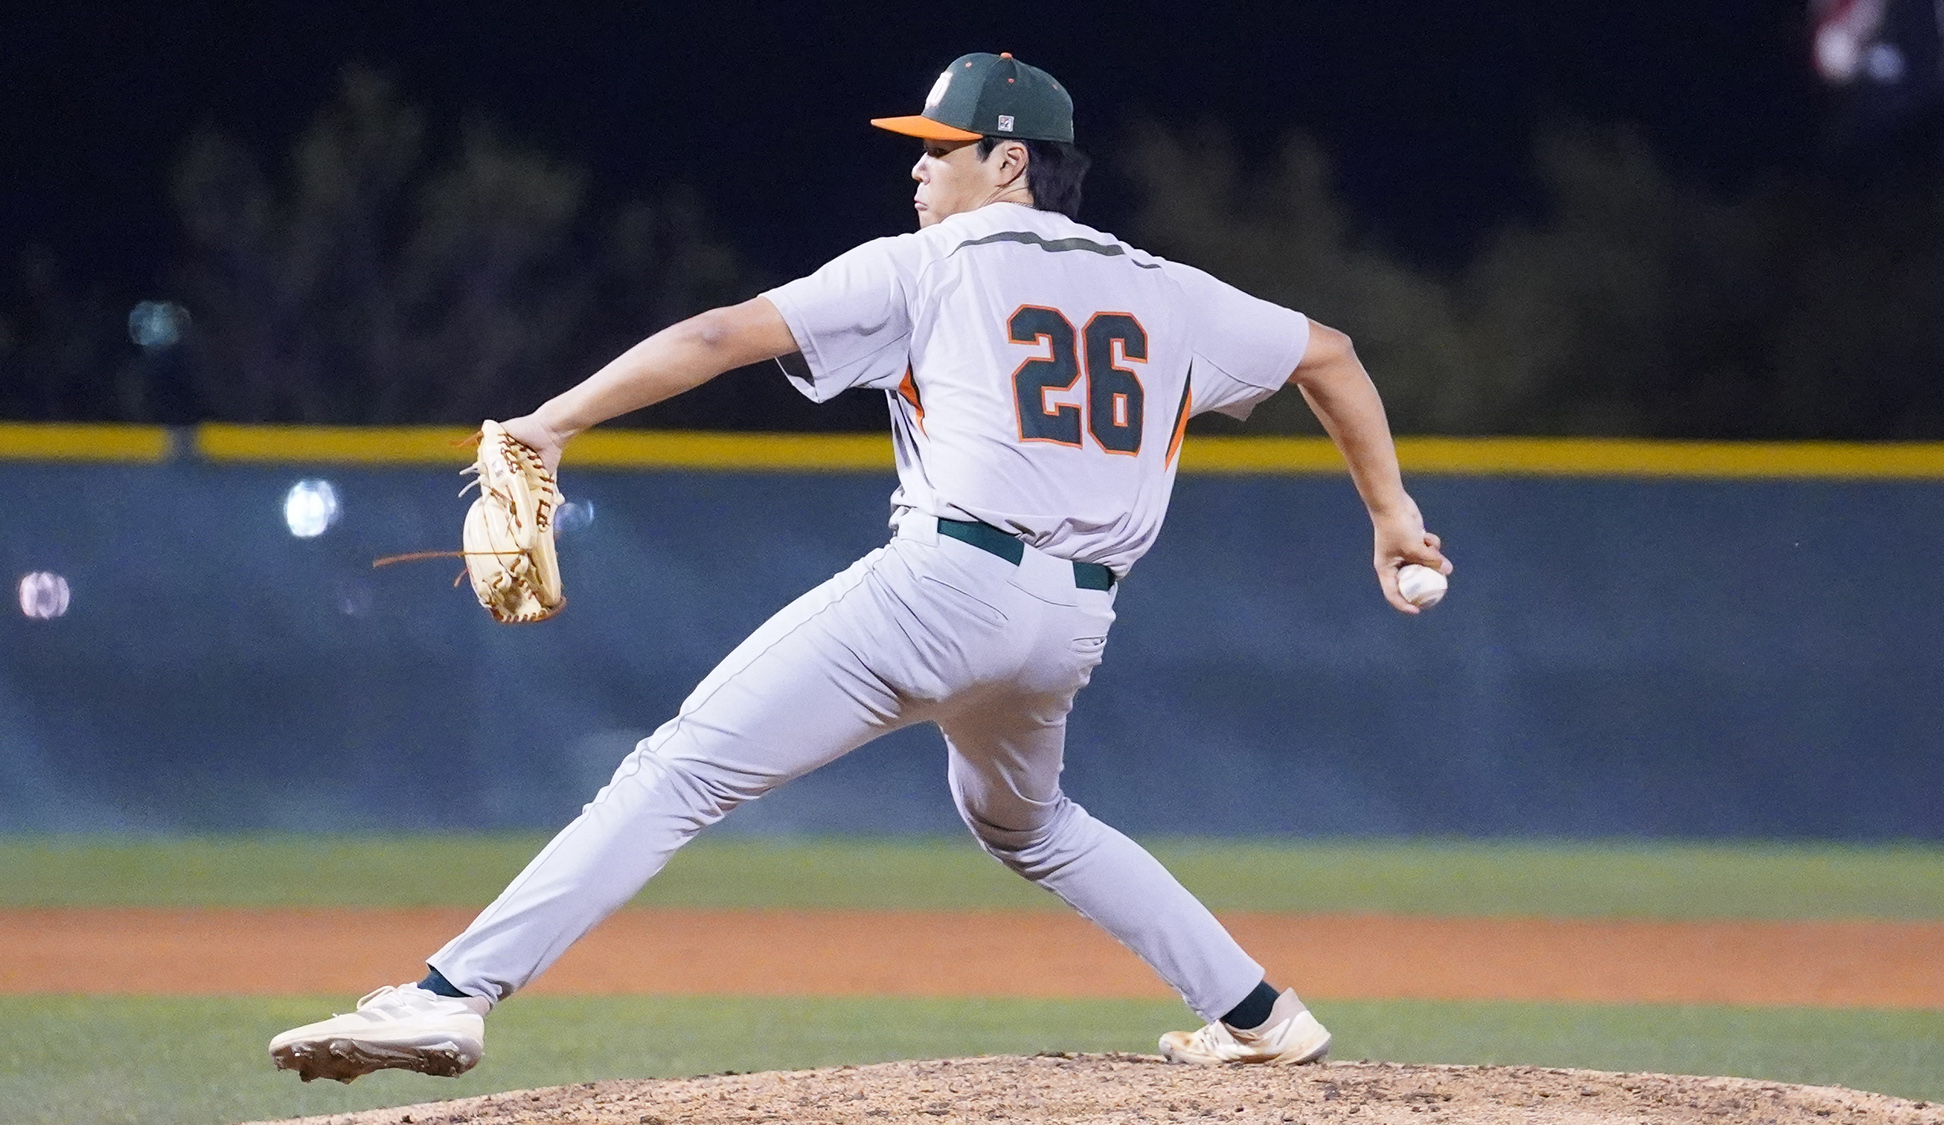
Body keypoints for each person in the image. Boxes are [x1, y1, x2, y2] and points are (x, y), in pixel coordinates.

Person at [269, 51, 1451, 1083]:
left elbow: (720, 335)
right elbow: (1331, 355)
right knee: (1029, 824)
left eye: (941, 150)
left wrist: (549, 424)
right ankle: (1256, 1017)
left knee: (677, 771)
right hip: (1070, 625)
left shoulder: (932, 265)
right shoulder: (1169, 291)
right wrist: (1389, 514)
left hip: (943, 589)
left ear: (1011, 162)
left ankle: (448, 996)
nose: (918, 171)